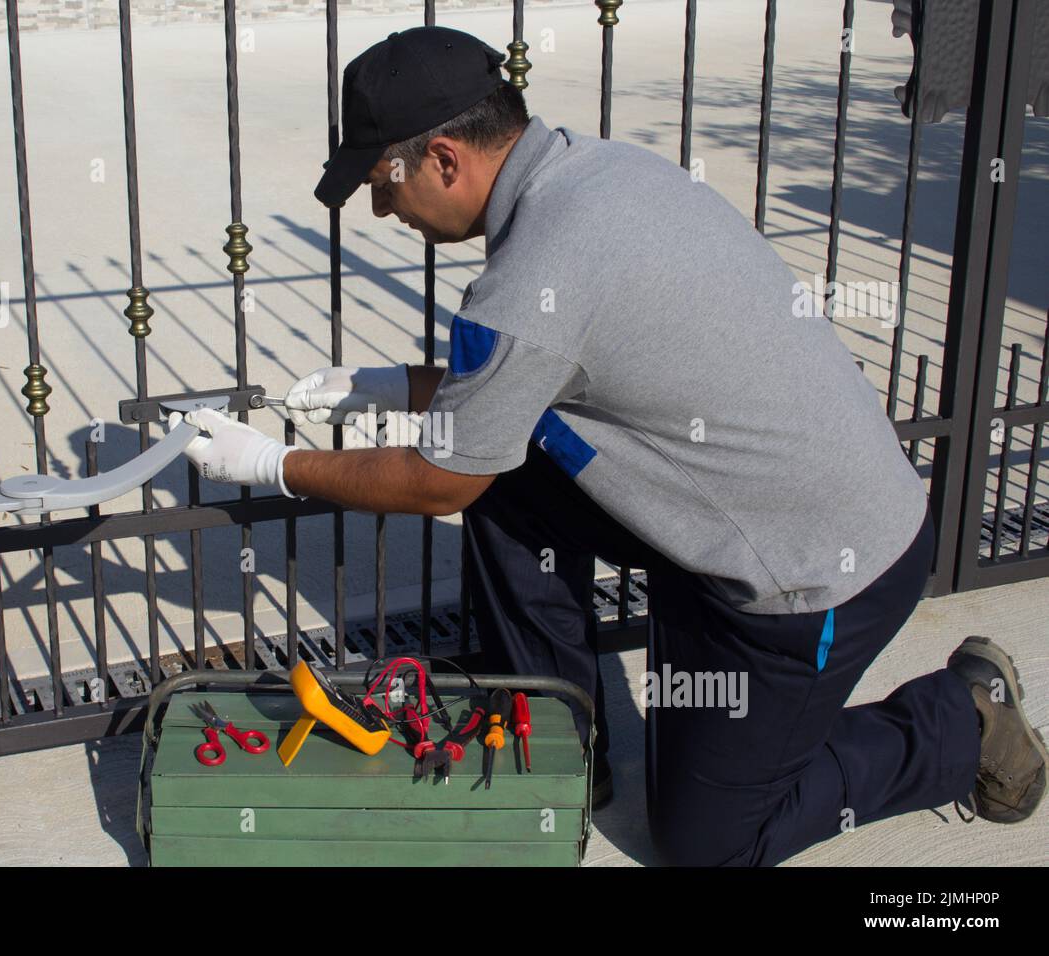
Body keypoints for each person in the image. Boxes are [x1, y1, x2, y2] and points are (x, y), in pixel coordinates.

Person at [179, 25, 1046, 865]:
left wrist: (271, 463)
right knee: (510, 483)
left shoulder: (530, 282)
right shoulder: (594, 171)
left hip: (813, 576)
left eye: (381, 180)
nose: (380, 206)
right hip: (742, 515)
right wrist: (387, 385)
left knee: (710, 843)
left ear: (444, 159)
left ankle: (960, 717)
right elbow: (529, 390)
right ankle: (563, 739)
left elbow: (442, 479)